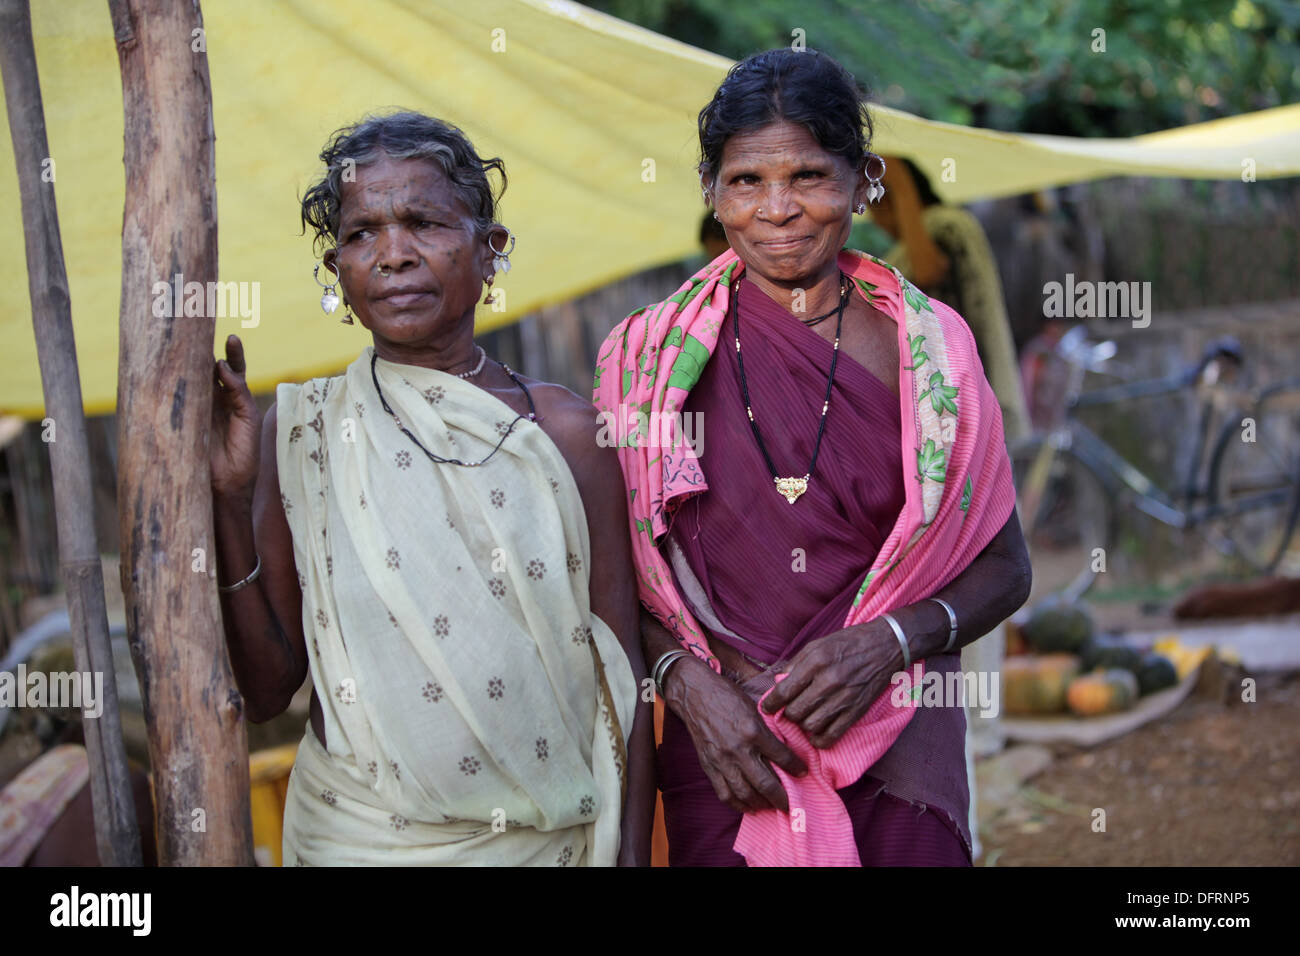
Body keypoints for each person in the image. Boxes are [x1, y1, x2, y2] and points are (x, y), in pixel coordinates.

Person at [594, 49, 1031, 866]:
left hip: (897, 737)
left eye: (809, 177)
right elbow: (619, 582)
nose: (779, 209)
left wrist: (891, 642)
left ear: (864, 180)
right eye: (747, 182)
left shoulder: (932, 354)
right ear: (711, 191)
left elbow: (1007, 568)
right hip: (728, 750)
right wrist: (691, 689)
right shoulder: (644, 361)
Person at [209, 111, 653, 866]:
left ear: (490, 249)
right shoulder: (305, 430)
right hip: (355, 840)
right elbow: (265, 692)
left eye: (423, 222)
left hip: (546, 846)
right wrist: (226, 500)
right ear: (336, 270)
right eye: (360, 234)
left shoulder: (571, 437)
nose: (391, 255)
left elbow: (624, 683)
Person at [872, 156, 1031, 442]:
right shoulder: (910, 246)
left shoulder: (947, 226)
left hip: (959, 392)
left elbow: (928, 270)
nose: (877, 219)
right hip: (942, 395)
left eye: (882, 204)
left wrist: (900, 182)